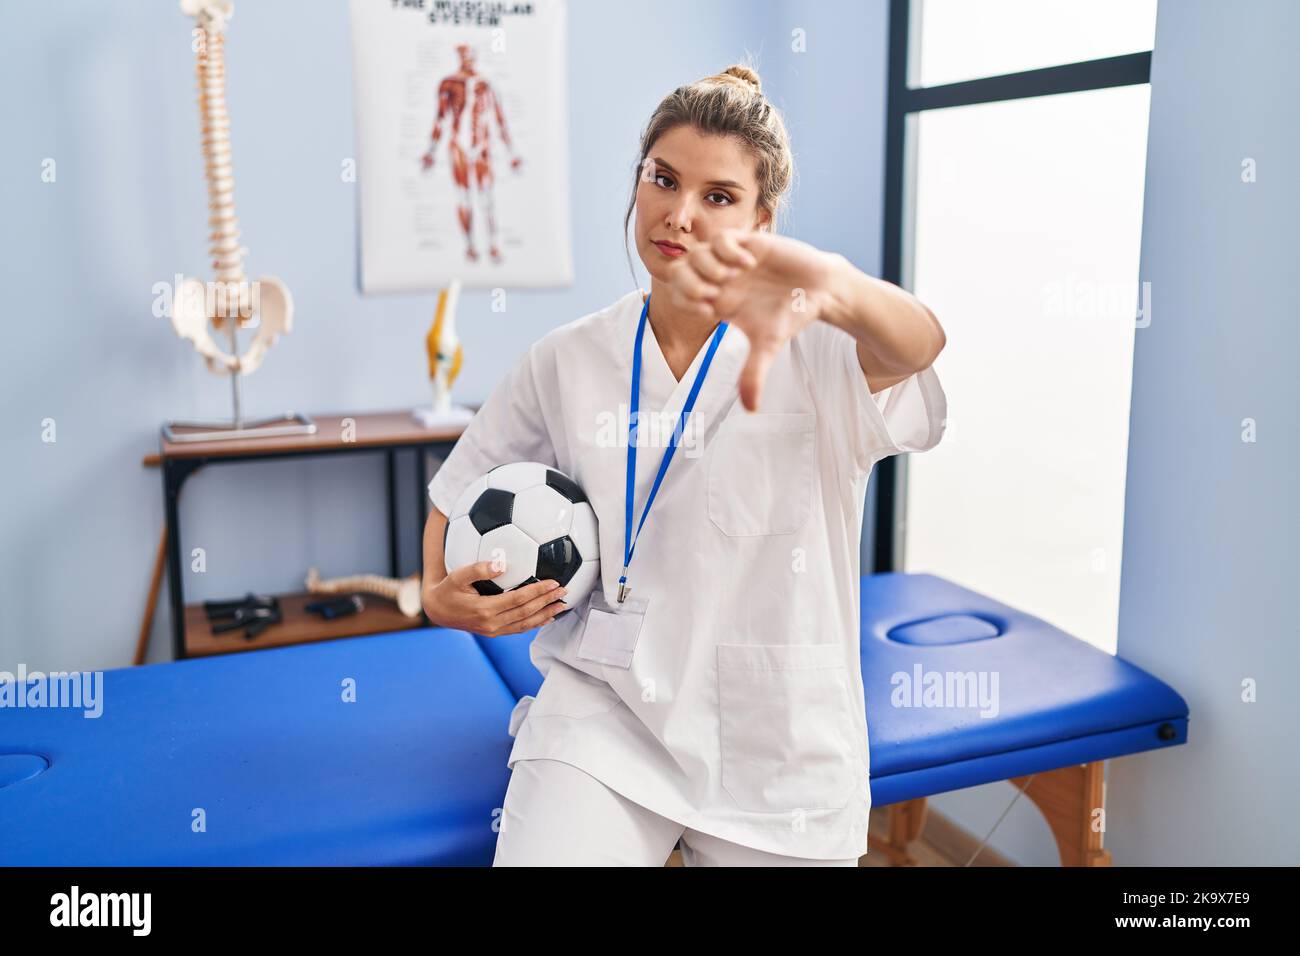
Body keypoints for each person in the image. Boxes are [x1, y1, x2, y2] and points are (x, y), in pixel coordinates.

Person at [421, 63, 948, 866]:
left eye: (719, 197)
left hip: (779, 745)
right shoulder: (567, 358)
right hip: (604, 719)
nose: (679, 215)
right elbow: (456, 494)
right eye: (662, 180)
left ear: (761, 221)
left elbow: (918, 343)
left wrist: (831, 283)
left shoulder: (817, 350)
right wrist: (439, 599)